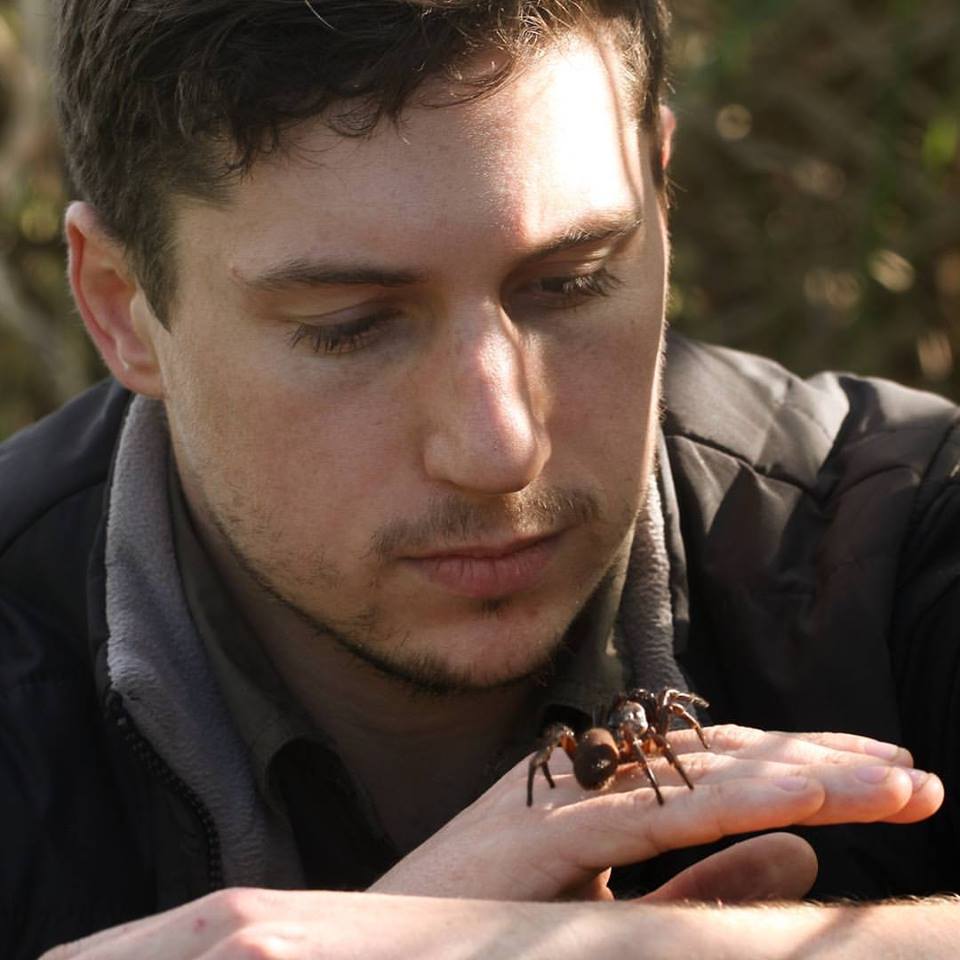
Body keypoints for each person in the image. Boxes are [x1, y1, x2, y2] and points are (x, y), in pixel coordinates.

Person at [2, 0, 958, 956]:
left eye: (571, 282)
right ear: (122, 309)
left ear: (662, 196)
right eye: (349, 326)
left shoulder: (906, 522)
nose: (500, 450)